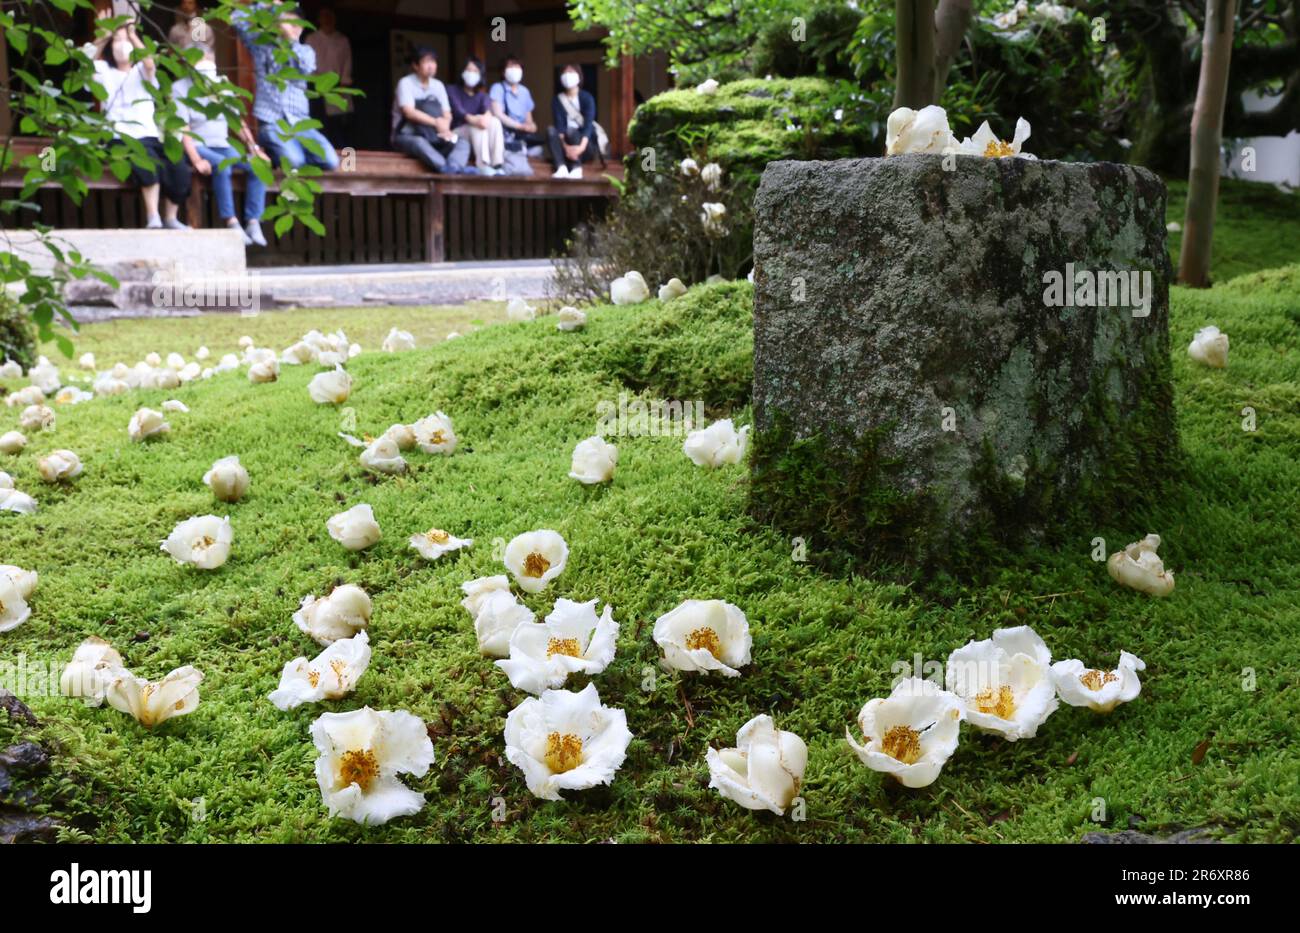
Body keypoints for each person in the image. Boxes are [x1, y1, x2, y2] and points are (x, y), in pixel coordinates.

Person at [86, 10, 191, 228]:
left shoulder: (141, 72)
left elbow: (150, 63)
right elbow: (84, 62)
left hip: (149, 134)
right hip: (120, 135)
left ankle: (171, 218)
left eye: (124, 41)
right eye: (117, 40)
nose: (120, 45)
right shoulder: (103, 70)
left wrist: (133, 34)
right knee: (147, 162)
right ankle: (153, 217)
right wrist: (105, 34)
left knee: (178, 164)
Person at [174, 43, 270, 247]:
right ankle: (231, 221)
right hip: (199, 144)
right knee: (223, 165)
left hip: (223, 143)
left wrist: (254, 149)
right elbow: (182, 128)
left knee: (258, 167)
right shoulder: (180, 88)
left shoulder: (223, 85)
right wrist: (196, 159)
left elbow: (237, 122)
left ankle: (254, 221)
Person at [231, 2, 339, 171]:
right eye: (289, 23)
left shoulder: (306, 51)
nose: (293, 28)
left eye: (297, 25)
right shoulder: (263, 47)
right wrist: (266, 5)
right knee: (294, 161)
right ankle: (279, 152)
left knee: (331, 161)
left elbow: (305, 66)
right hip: (272, 123)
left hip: (301, 123)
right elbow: (236, 19)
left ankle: (286, 155)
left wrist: (289, 37)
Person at [391, 46, 470, 175]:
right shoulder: (405, 83)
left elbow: (447, 113)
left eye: (433, 62)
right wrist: (436, 122)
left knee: (462, 142)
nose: (431, 66)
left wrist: (445, 129)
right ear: (415, 65)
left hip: (434, 137)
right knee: (419, 142)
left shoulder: (438, 85)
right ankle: (445, 168)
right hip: (407, 135)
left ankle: (454, 167)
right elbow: (408, 112)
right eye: (426, 62)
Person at [447, 56, 504, 175]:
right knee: (477, 126)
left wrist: (485, 118)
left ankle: (497, 164)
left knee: (495, 122)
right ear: (462, 72)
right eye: (469, 70)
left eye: (475, 71)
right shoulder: (452, 90)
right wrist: (477, 120)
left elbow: (488, 111)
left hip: (478, 135)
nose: (471, 74)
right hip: (457, 133)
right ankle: (483, 165)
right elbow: (460, 112)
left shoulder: (482, 95)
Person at [305, 6, 352, 147]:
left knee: (339, 126)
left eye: (329, 15)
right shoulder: (311, 38)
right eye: (323, 15)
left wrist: (345, 81)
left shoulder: (342, 40)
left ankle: (347, 163)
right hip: (316, 84)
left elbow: (347, 62)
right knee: (319, 123)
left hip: (338, 85)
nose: (327, 19)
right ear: (318, 19)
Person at [489, 54, 540, 177]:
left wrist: (531, 126)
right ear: (503, 71)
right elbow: (498, 114)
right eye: (510, 67)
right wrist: (518, 126)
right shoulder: (497, 88)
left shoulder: (524, 91)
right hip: (504, 134)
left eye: (517, 67)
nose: (515, 70)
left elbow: (529, 119)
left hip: (522, 136)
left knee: (538, 150)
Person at [548, 64, 598, 179]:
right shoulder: (557, 99)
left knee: (572, 131)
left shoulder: (587, 98)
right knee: (550, 130)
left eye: (571, 72)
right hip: (565, 147)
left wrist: (580, 148)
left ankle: (577, 168)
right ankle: (561, 167)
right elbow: (559, 127)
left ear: (579, 76)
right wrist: (566, 148)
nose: (568, 76)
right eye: (565, 73)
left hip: (585, 147)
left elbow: (588, 126)